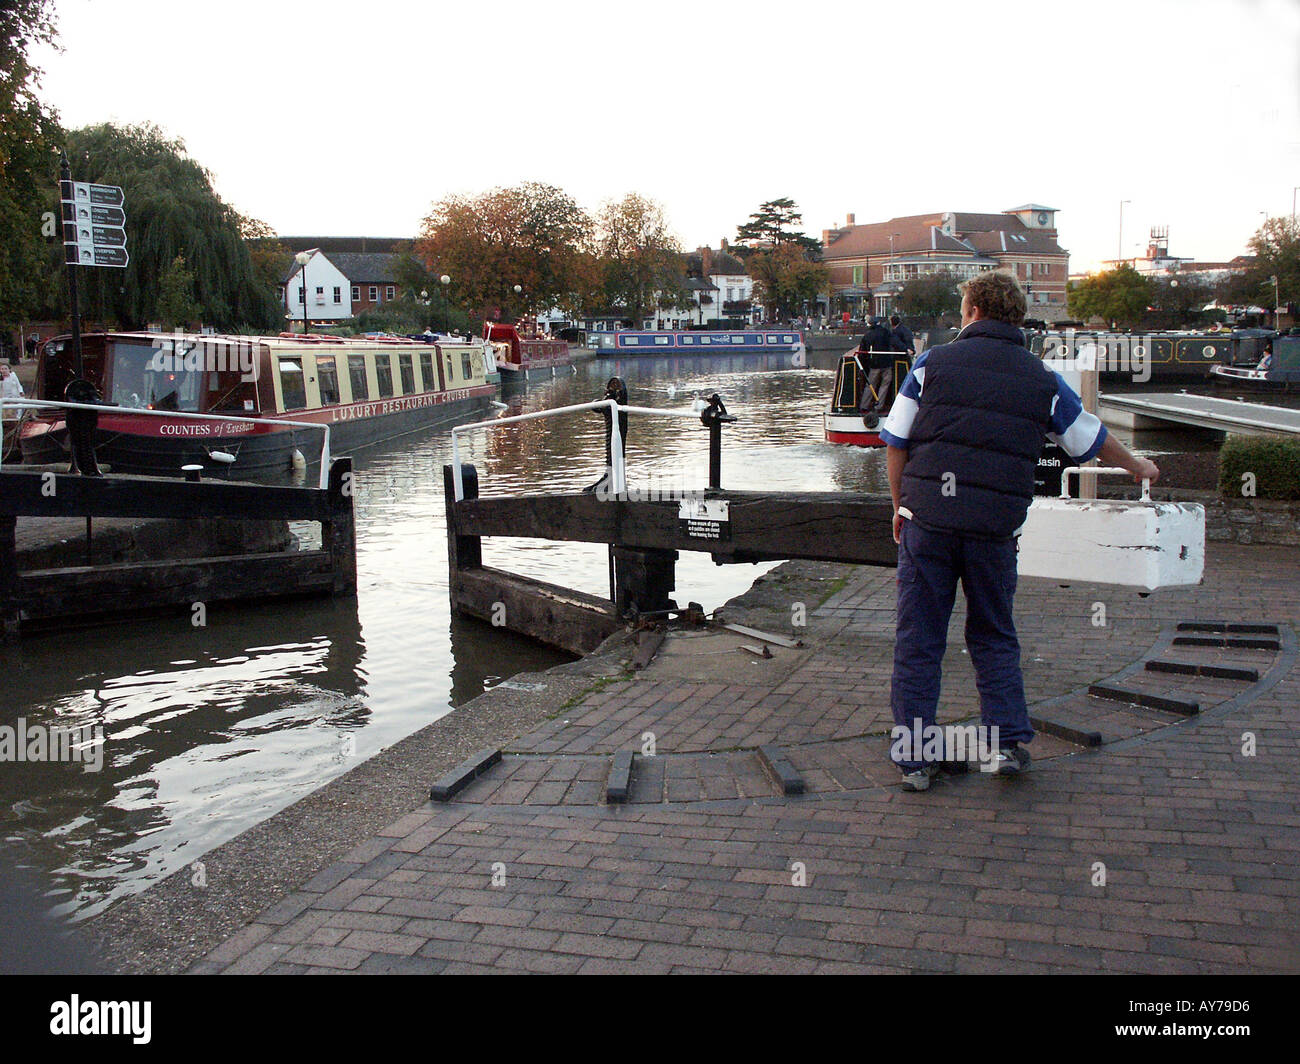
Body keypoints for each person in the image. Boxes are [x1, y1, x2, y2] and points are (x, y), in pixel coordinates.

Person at [879, 270, 1159, 792]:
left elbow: (895, 440)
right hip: (993, 530)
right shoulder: (1041, 379)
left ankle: (915, 758)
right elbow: (1089, 438)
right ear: (1017, 318)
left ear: (974, 312)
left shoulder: (930, 365)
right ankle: (1006, 744)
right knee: (993, 632)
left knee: (919, 639)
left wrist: (900, 506)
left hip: (929, 525)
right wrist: (1138, 466)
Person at [857, 317, 903, 426]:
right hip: (886, 363)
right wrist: (906, 349)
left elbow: (862, 351)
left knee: (871, 385)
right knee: (885, 384)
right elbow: (895, 342)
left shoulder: (868, 335)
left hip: (874, 364)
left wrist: (862, 363)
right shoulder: (885, 332)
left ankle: (864, 405)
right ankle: (879, 406)